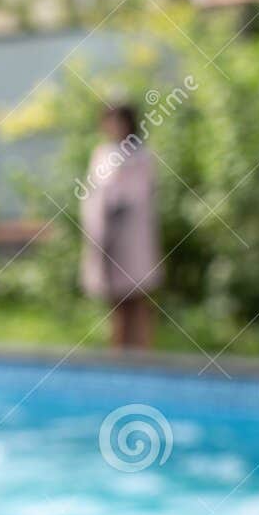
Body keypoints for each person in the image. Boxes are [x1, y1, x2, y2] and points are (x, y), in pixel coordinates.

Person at [80, 101, 162, 350]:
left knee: (137, 299)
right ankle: (118, 357)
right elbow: (93, 194)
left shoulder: (140, 156)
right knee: (115, 303)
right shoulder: (101, 153)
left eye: (118, 120)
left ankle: (142, 355)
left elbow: (137, 195)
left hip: (132, 239)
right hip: (106, 238)